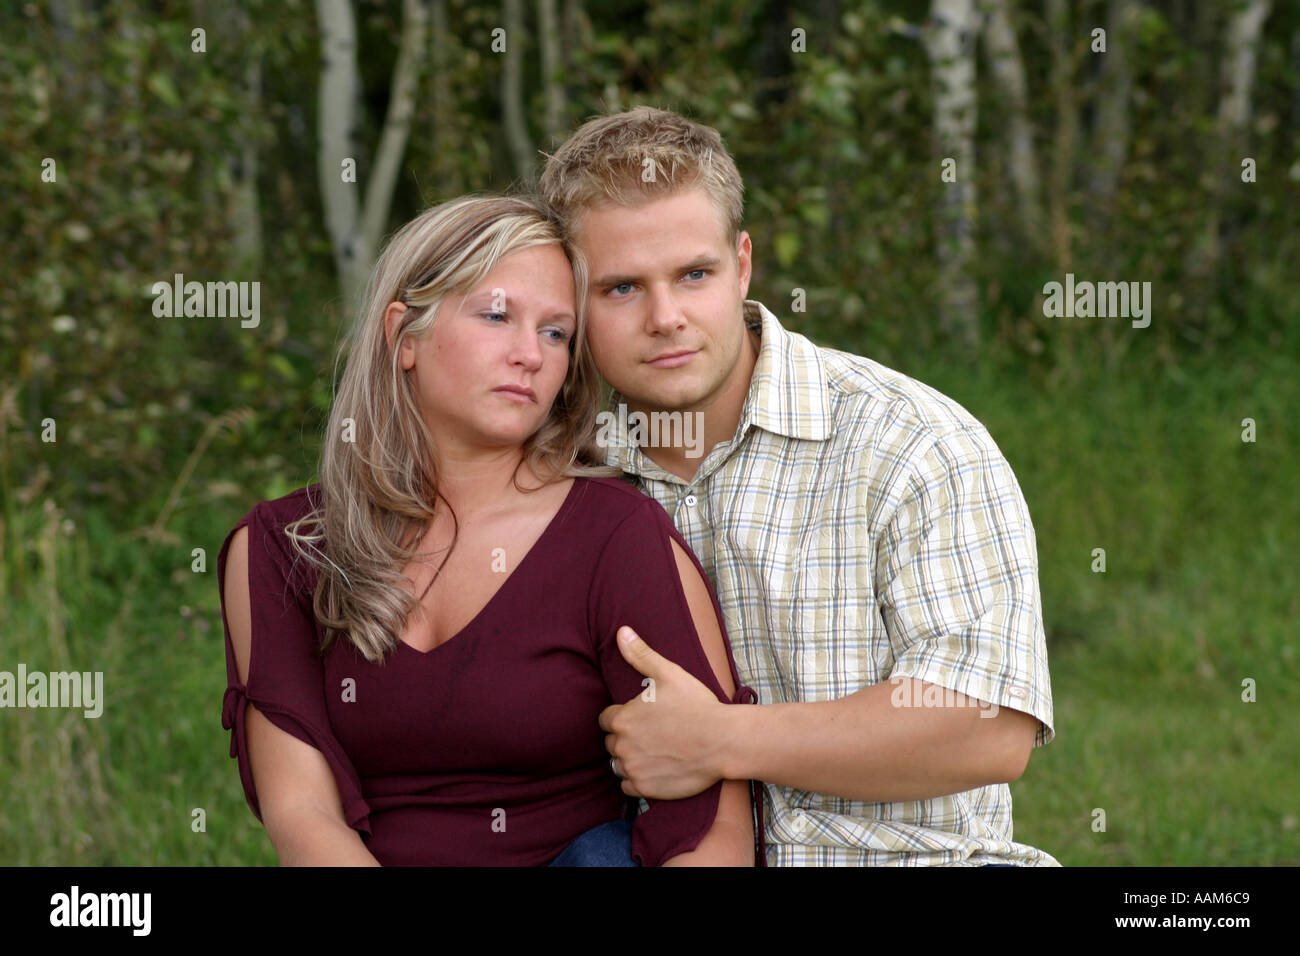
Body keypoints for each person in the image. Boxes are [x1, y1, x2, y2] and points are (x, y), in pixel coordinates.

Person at [538, 107, 1059, 866]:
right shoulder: (559, 468)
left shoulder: (909, 443)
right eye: (621, 288)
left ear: (742, 264)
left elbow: (988, 726)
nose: (667, 318)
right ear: (573, 301)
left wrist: (718, 740)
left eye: (694, 274)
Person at [216, 194, 756, 866]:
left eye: (556, 333)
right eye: (497, 316)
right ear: (403, 336)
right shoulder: (284, 545)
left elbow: (712, 834)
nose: (530, 355)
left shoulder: (615, 533)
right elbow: (303, 813)